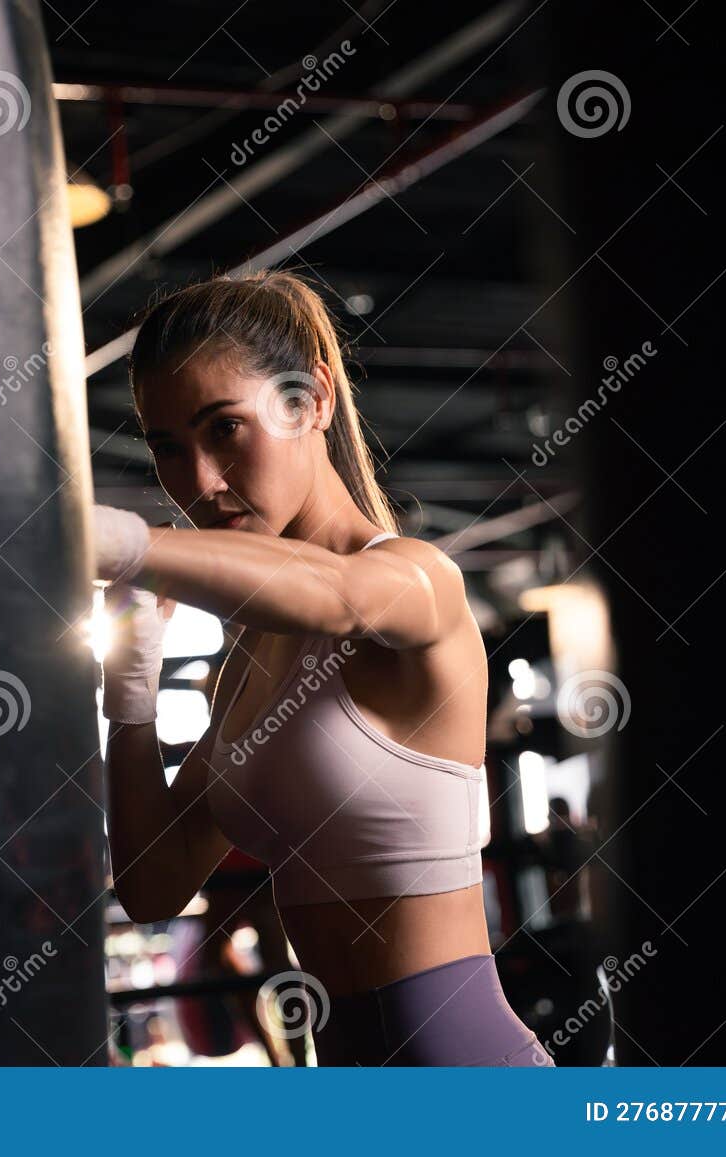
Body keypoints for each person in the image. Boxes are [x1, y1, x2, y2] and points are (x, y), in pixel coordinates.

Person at [91, 270, 552, 1067]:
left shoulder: (413, 580)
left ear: (311, 401)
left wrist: (121, 543)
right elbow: (155, 885)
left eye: (225, 428)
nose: (198, 479)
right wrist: (129, 703)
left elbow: (339, 596)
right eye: (167, 446)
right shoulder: (244, 667)